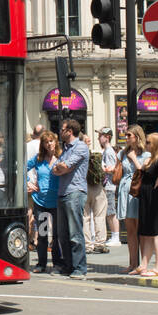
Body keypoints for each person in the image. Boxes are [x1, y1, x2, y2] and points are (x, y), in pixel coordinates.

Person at [49, 118, 91, 278]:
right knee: (63, 233)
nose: (60, 132)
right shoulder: (66, 149)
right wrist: (61, 167)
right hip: (62, 192)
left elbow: (64, 167)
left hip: (75, 192)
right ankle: (68, 266)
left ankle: (80, 268)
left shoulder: (80, 147)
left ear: (70, 131)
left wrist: (62, 167)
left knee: (75, 233)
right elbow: (55, 168)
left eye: (62, 129)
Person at [133, 132, 158, 276]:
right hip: (149, 198)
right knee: (150, 233)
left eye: (149, 142)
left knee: (157, 233)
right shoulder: (152, 158)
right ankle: (143, 265)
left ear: (156, 144)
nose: (146, 144)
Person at [116, 125, 149, 274]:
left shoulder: (146, 154)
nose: (126, 137)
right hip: (125, 190)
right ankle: (132, 263)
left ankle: (143, 264)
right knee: (130, 230)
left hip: (138, 191)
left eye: (129, 135)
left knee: (141, 229)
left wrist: (134, 159)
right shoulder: (122, 153)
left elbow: (143, 172)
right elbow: (118, 171)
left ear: (137, 136)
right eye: (126, 135)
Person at [27, 131, 61, 273]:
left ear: (55, 142)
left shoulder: (61, 158)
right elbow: (23, 168)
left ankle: (58, 263)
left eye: (51, 141)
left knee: (57, 235)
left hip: (57, 201)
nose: (49, 144)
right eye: (46, 142)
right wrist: (28, 183)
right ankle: (41, 264)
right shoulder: (39, 158)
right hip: (41, 202)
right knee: (42, 234)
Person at [83, 135, 109, 253]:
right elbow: (103, 171)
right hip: (97, 188)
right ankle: (100, 243)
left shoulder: (77, 155)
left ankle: (87, 245)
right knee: (99, 216)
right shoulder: (96, 155)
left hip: (83, 187)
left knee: (85, 217)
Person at [100, 128, 121, 249]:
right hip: (108, 185)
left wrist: (103, 168)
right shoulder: (107, 151)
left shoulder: (109, 152)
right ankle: (114, 235)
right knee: (109, 211)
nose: (99, 138)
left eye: (101, 136)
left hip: (110, 185)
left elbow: (113, 168)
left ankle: (115, 236)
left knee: (111, 212)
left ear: (107, 137)